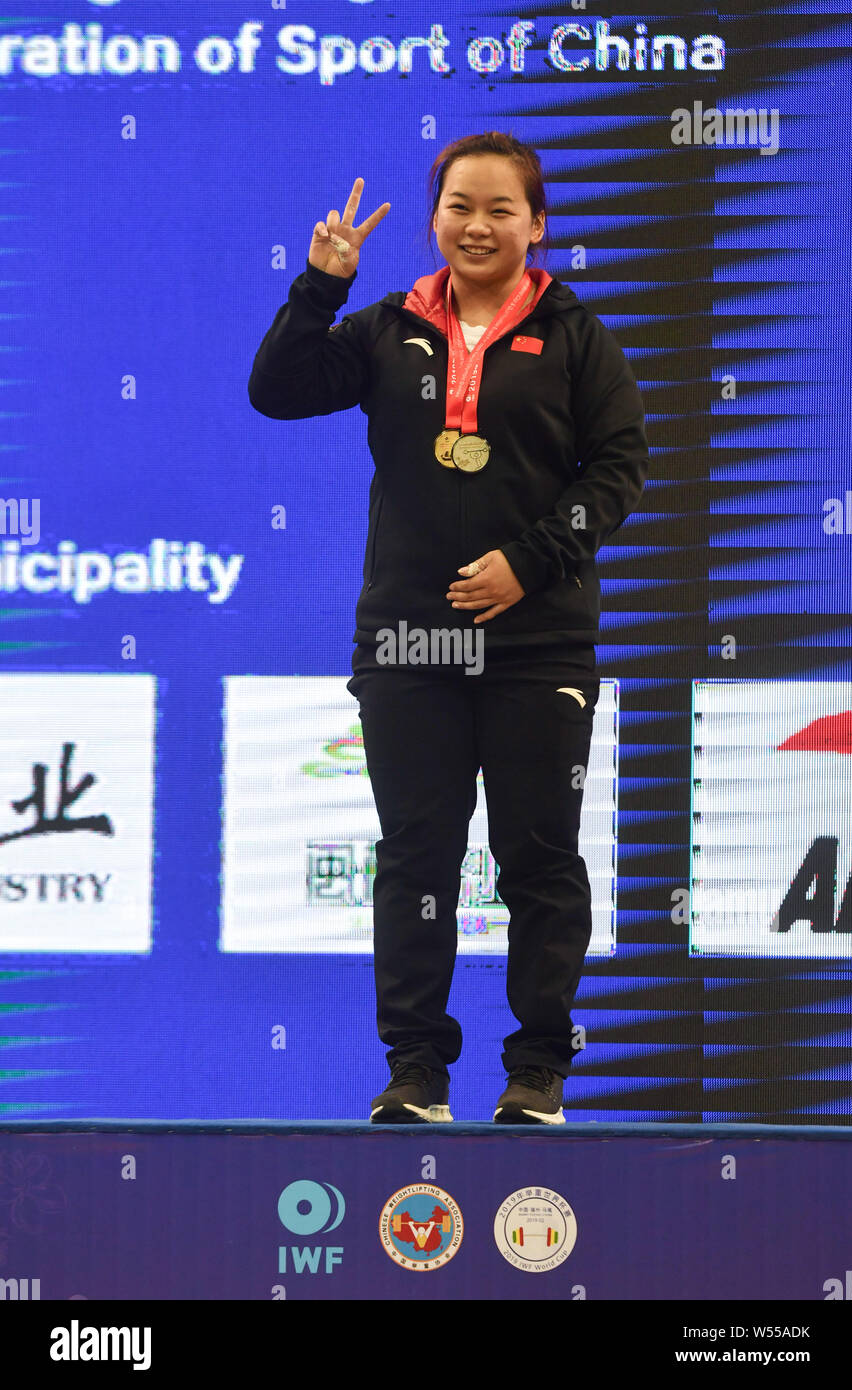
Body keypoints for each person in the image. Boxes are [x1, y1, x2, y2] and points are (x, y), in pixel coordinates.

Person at [248, 131, 649, 1125]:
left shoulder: (573, 336)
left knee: (536, 856)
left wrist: (529, 562)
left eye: (499, 209)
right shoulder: (387, 327)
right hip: (408, 646)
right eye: (460, 206)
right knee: (416, 857)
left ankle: (536, 1073)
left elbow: (617, 470)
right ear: (435, 219)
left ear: (535, 224)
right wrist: (318, 286)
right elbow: (277, 391)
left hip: (535, 645)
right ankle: (417, 1072)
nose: (477, 224)